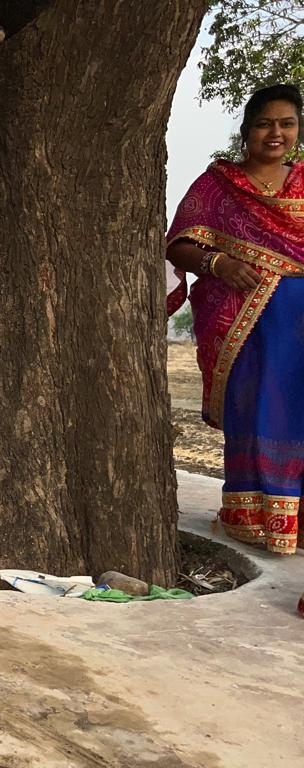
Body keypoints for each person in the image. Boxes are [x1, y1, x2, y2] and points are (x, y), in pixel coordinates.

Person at [166, 83, 304, 555]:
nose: (276, 133)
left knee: (297, 410)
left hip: (300, 328)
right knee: (255, 407)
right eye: (265, 123)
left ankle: (294, 521)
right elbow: (179, 242)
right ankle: (250, 515)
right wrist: (218, 264)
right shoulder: (218, 185)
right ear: (246, 130)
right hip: (241, 323)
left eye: (286, 123)